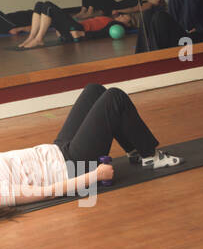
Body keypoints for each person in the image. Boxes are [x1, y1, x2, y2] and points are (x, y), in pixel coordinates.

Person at [0, 84, 179, 213]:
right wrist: (97, 175)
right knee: (114, 97)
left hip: (58, 151)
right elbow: (49, 193)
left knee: (94, 90)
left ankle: (134, 152)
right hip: (72, 168)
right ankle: (150, 156)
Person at [15, 0, 137, 49]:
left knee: (47, 6)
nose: (121, 15)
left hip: (77, 29)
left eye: (125, 17)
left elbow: (101, 34)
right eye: (122, 14)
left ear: (128, 24)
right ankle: (31, 37)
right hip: (74, 27)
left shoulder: (116, 26)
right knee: (39, 5)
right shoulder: (111, 20)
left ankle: (39, 38)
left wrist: (83, 35)